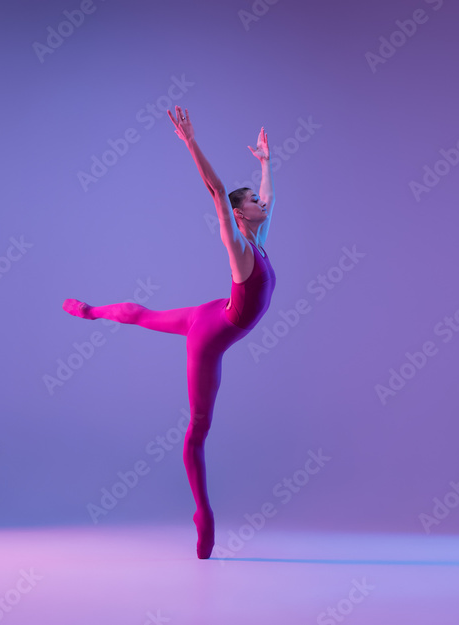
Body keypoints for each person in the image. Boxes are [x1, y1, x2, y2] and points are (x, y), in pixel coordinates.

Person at [63, 106, 276, 559]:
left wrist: (265, 165)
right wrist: (190, 143)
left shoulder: (259, 238)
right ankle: (203, 512)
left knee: (145, 314)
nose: (263, 203)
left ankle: (92, 311)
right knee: (198, 430)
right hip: (211, 336)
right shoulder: (239, 246)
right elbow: (217, 190)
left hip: (213, 312)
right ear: (239, 214)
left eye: (260, 201)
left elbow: (262, 198)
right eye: (254, 202)